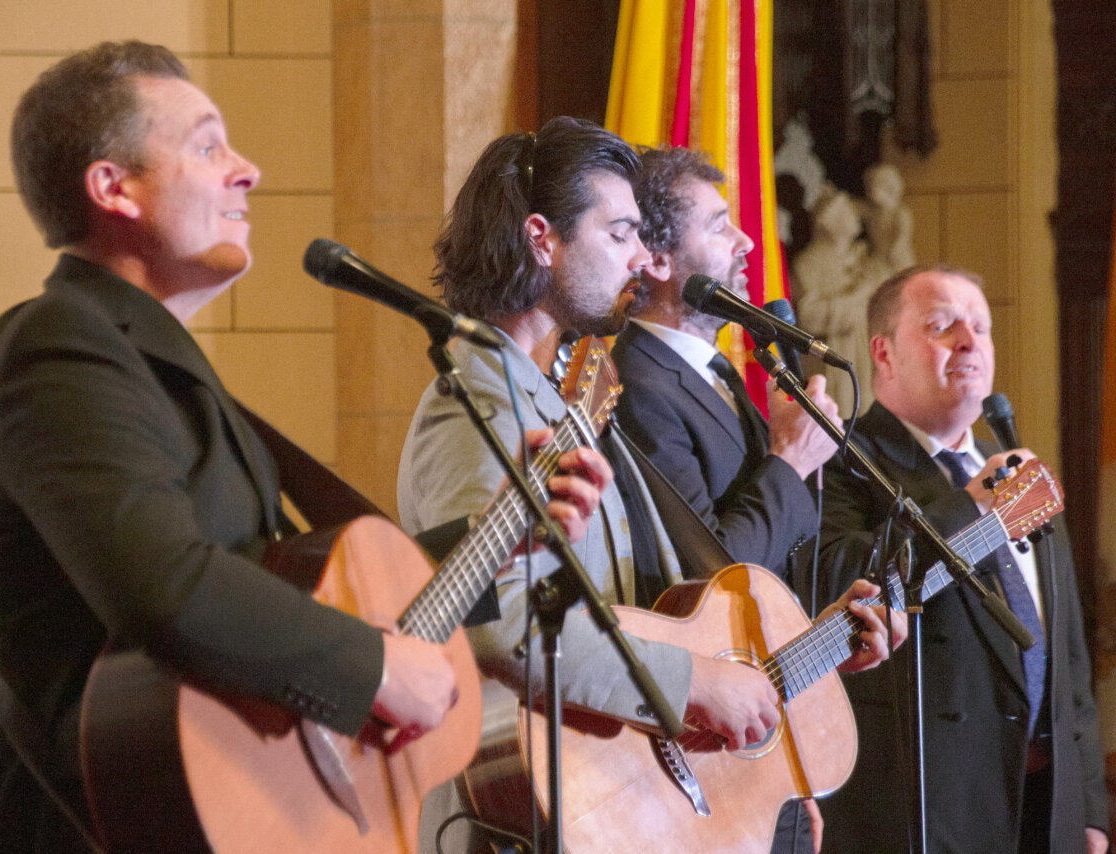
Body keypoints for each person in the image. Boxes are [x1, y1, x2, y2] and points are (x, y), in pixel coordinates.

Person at [0, 42, 606, 853]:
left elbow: (274, 589)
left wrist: (490, 537)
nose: (247, 170)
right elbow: (168, 586)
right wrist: (375, 670)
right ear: (114, 187)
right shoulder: (57, 343)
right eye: (208, 146)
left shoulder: (154, 361)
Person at [396, 117, 898, 853]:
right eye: (621, 232)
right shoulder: (477, 402)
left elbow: (652, 610)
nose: (641, 256)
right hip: (524, 815)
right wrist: (695, 684)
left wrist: (811, 659)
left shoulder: (565, 398)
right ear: (543, 239)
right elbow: (497, 623)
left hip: (616, 802)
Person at [808, 264, 1109, 853]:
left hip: (1048, 811)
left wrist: (1090, 808)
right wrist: (970, 508)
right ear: (883, 351)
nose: (970, 341)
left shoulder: (1015, 471)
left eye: (981, 326)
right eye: (942, 326)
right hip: (927, 808)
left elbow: (1070, 654)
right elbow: (848, 586)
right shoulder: (842, 463)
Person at [611, 144, 852, 853]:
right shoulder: (638, 387)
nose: (748, 241)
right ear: (654, 261)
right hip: (694, 752)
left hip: (760, 737)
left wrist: (839, 631)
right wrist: (789, 459)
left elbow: (773, 580)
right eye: (720, 226)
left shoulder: (716, 371)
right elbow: (706, 585)